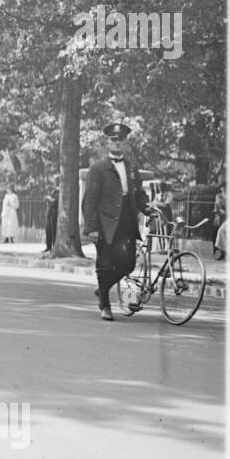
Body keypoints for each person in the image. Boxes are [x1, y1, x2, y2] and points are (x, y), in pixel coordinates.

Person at [82, 122, 150, 321]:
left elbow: (138, 194)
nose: (117, 143)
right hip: (105, 225)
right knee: (104, 263)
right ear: (107, 142)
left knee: (128, 264)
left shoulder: (131, 169)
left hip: (126, 224)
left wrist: (147, 208)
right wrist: (92, 228)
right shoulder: (98, 168)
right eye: (113, 140)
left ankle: (102, 287)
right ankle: (105, 303)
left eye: (121, 140)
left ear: (126, 143)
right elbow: (90, 201)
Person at [43, 183, 59, 252]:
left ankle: (54, 247)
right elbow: (44, 199)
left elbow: (55, 202)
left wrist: (49, 198)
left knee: (53, 231)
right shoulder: (51, 192)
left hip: (54, 214)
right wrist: (48, 198)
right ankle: (48, 247)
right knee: (48, 231)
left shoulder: (58, 192)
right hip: (49, 213)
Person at [212, 184, 227, 260]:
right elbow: (215, 207)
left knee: (222, 236)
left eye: (224, 187)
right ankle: (216, 253)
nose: (223, 189)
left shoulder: (229, 197)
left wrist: (224, 212)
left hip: (225, 219)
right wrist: (217, 210)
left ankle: (223, 253)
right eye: (222, 188)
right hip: (217, 219)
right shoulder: (218, 196)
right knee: (214, 236)